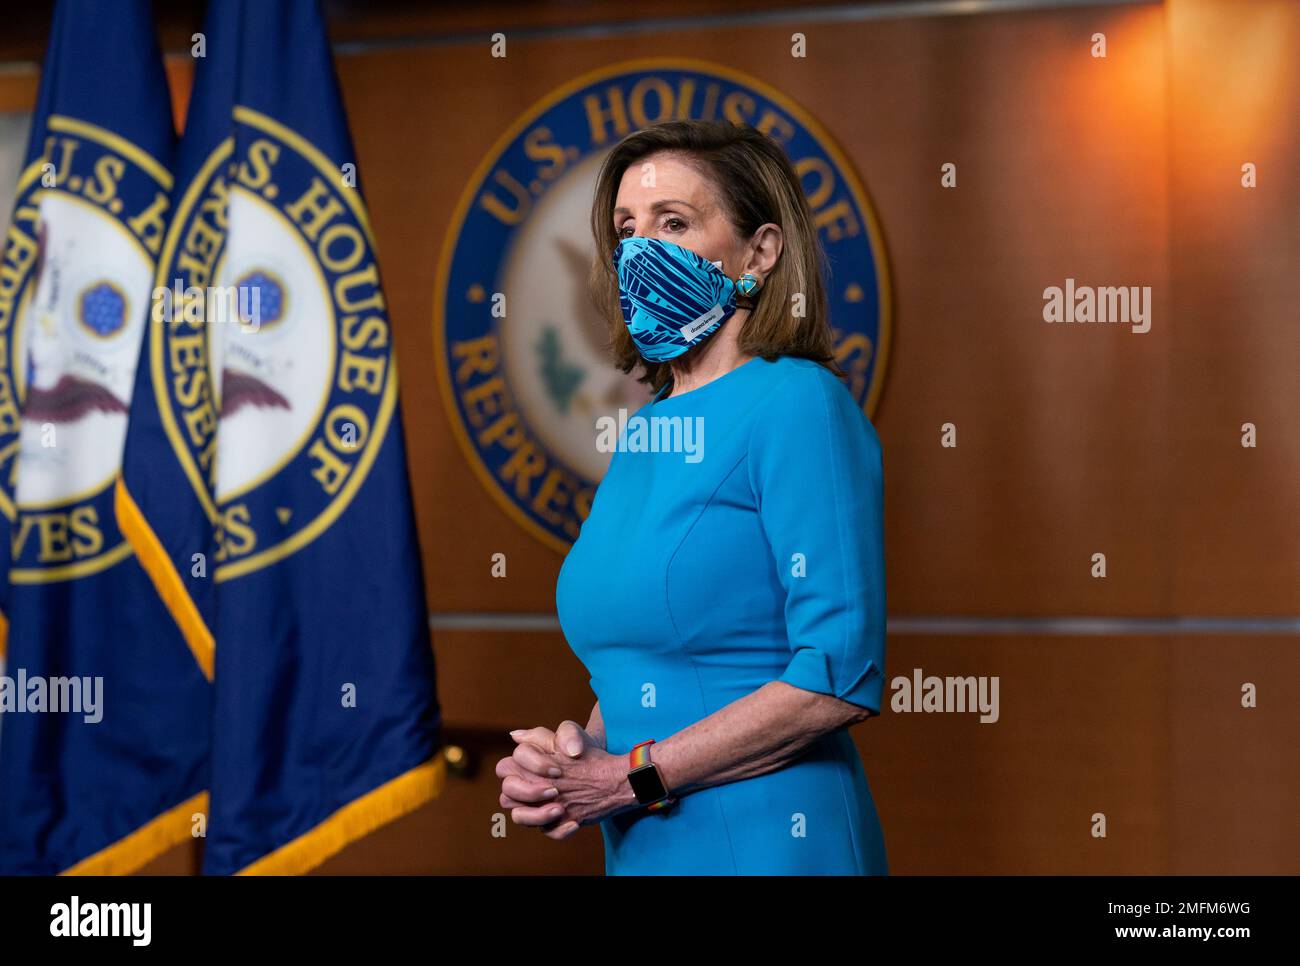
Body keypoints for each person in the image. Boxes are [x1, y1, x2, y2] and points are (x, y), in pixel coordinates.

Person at [495, 118, 888, 874]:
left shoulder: (796, 404)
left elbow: (838, 675)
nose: (639, 250)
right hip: (646, 844)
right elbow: (650, 658)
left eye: (673, 222)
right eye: (625, 229)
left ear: (760, 252)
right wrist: (569, 760)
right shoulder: (646, 433)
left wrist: (627, 777)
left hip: (774, 842)